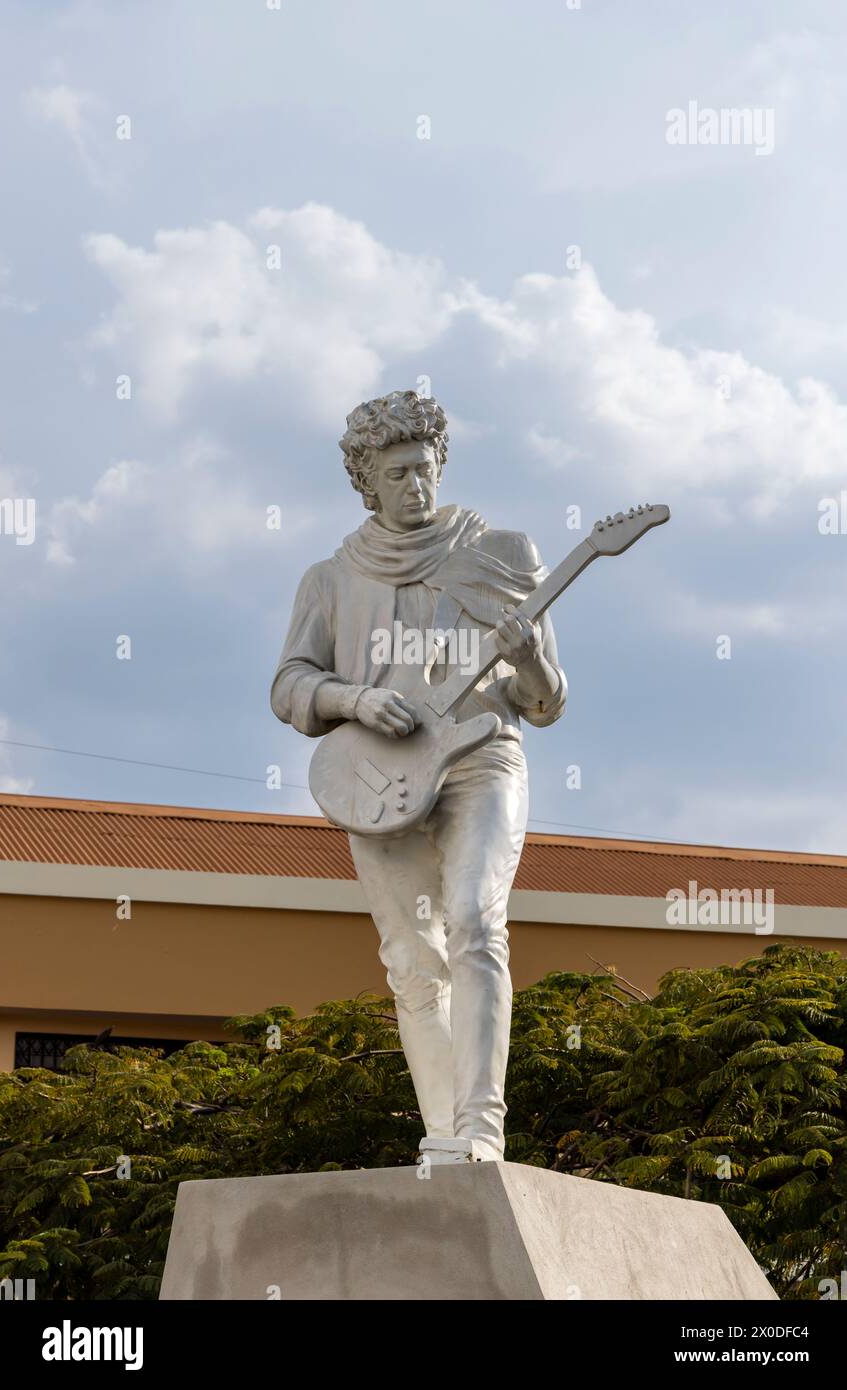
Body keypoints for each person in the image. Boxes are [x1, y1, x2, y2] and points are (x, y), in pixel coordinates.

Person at [271, 390, 566, 1162]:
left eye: (425, 469)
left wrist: (528, 650)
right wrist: (355, 699)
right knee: (410, 960)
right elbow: (289, 685)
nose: (415, 486)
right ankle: (444, 1136)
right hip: (377, 777)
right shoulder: (330, 579)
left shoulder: (499, 554)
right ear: (366, 482)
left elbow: (545, 702)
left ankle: (482, 1129)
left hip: (478, 756)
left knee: (472, 920)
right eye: (397, 474)